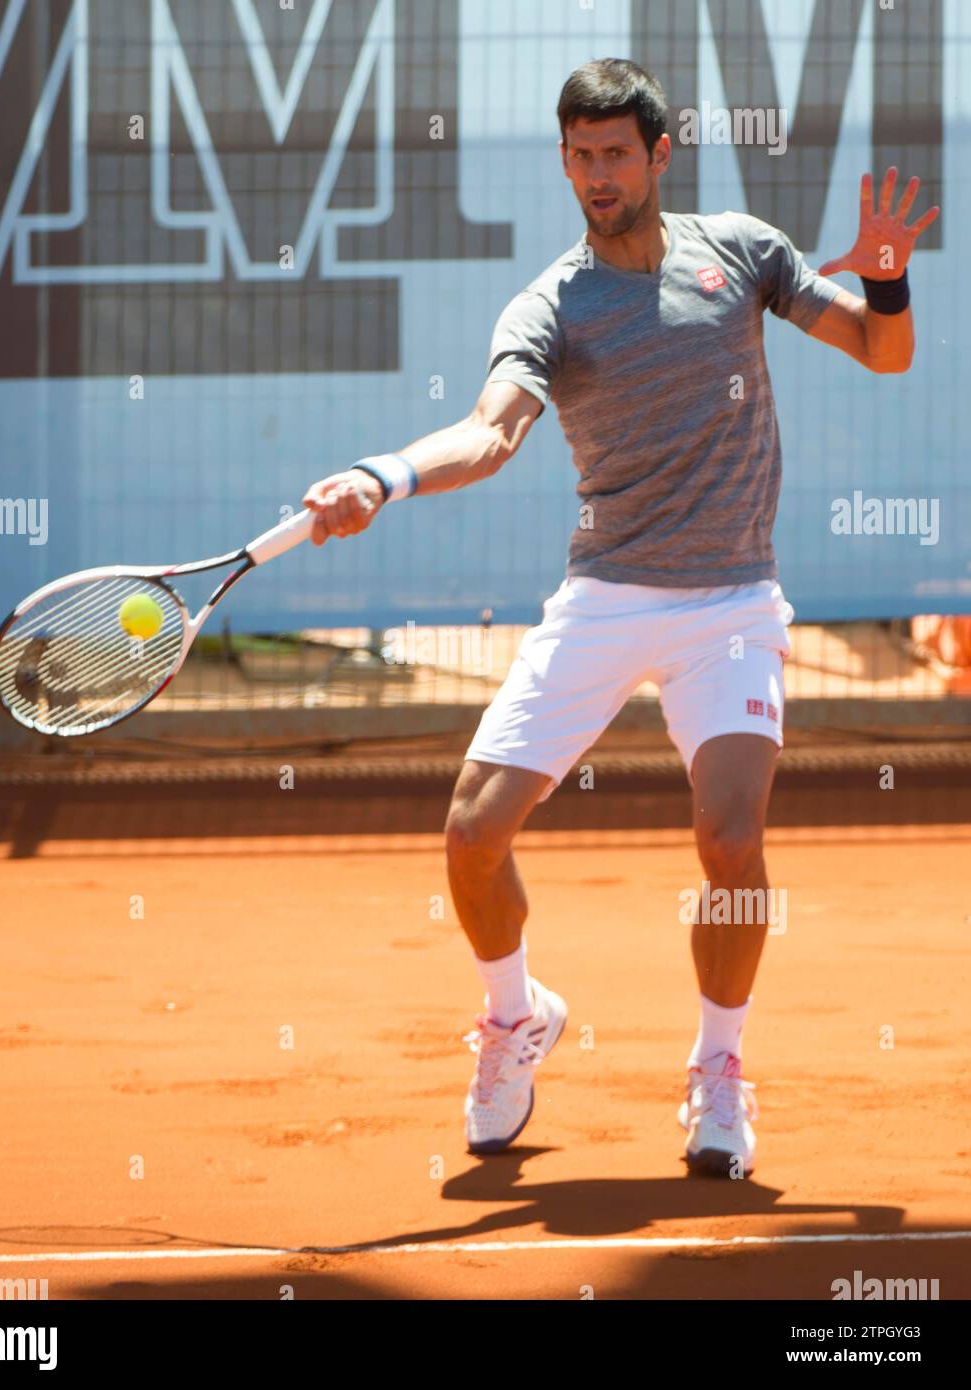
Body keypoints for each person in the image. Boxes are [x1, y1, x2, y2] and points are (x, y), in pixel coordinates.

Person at [301, 58, 938, 1176]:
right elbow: (491, 433)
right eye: (579, 155)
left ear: (658, 156)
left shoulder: (741, 251)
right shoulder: (551, 305)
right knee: (471, 833)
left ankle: (718, 1072)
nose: (596, 175)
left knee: (730, 839)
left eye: (614, 154)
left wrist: (888, 281)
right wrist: (382, 475)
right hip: (605, 592)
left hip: (730, 600)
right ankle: (515, 1016)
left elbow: (884, 352)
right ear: (564, 162)